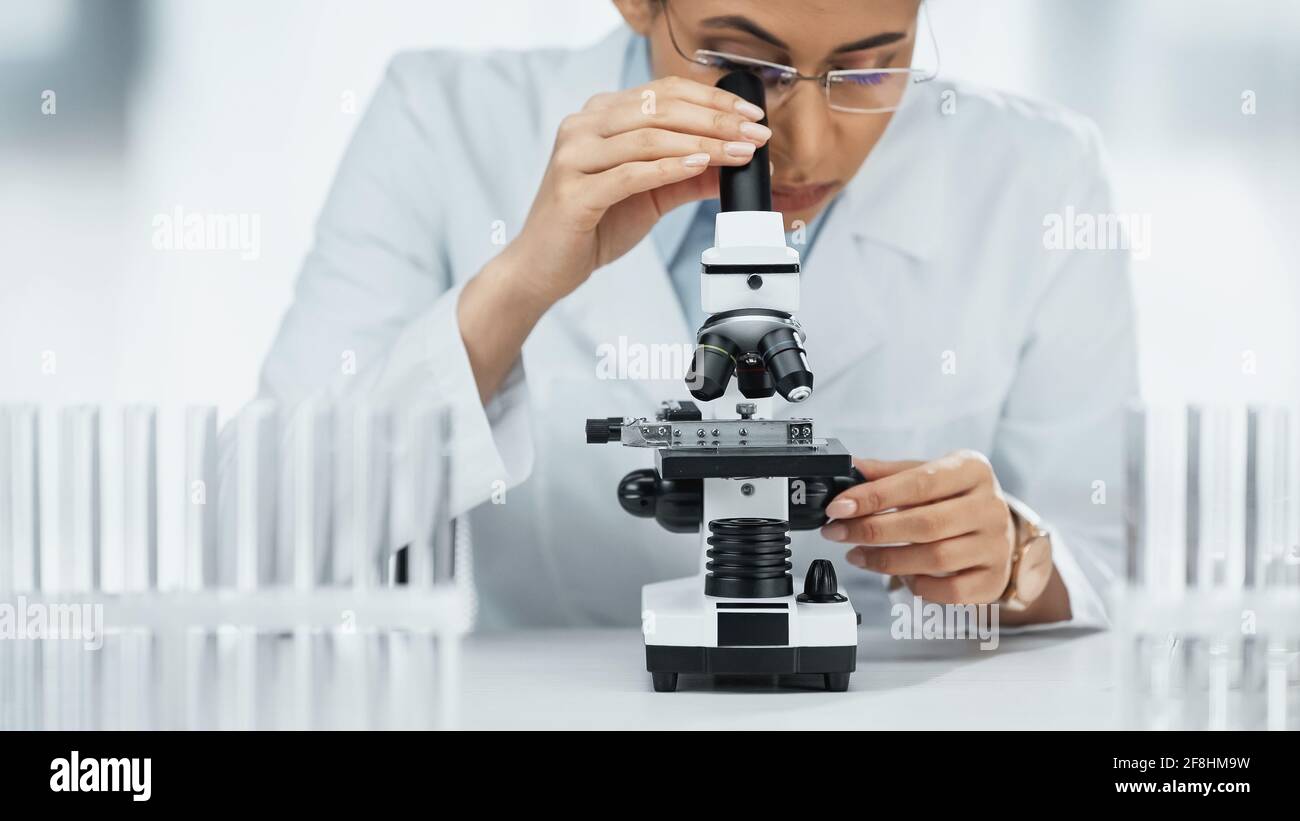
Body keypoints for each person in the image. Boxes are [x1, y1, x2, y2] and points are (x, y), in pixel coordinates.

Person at [256, 0, 1137, 629]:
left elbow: (1106, 561)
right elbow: (264, 536)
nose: (810, 143)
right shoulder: (442, 120)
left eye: (869, 67)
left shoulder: (1040, 173)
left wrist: (1012, 554)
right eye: (747, 70)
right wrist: (522, 278)